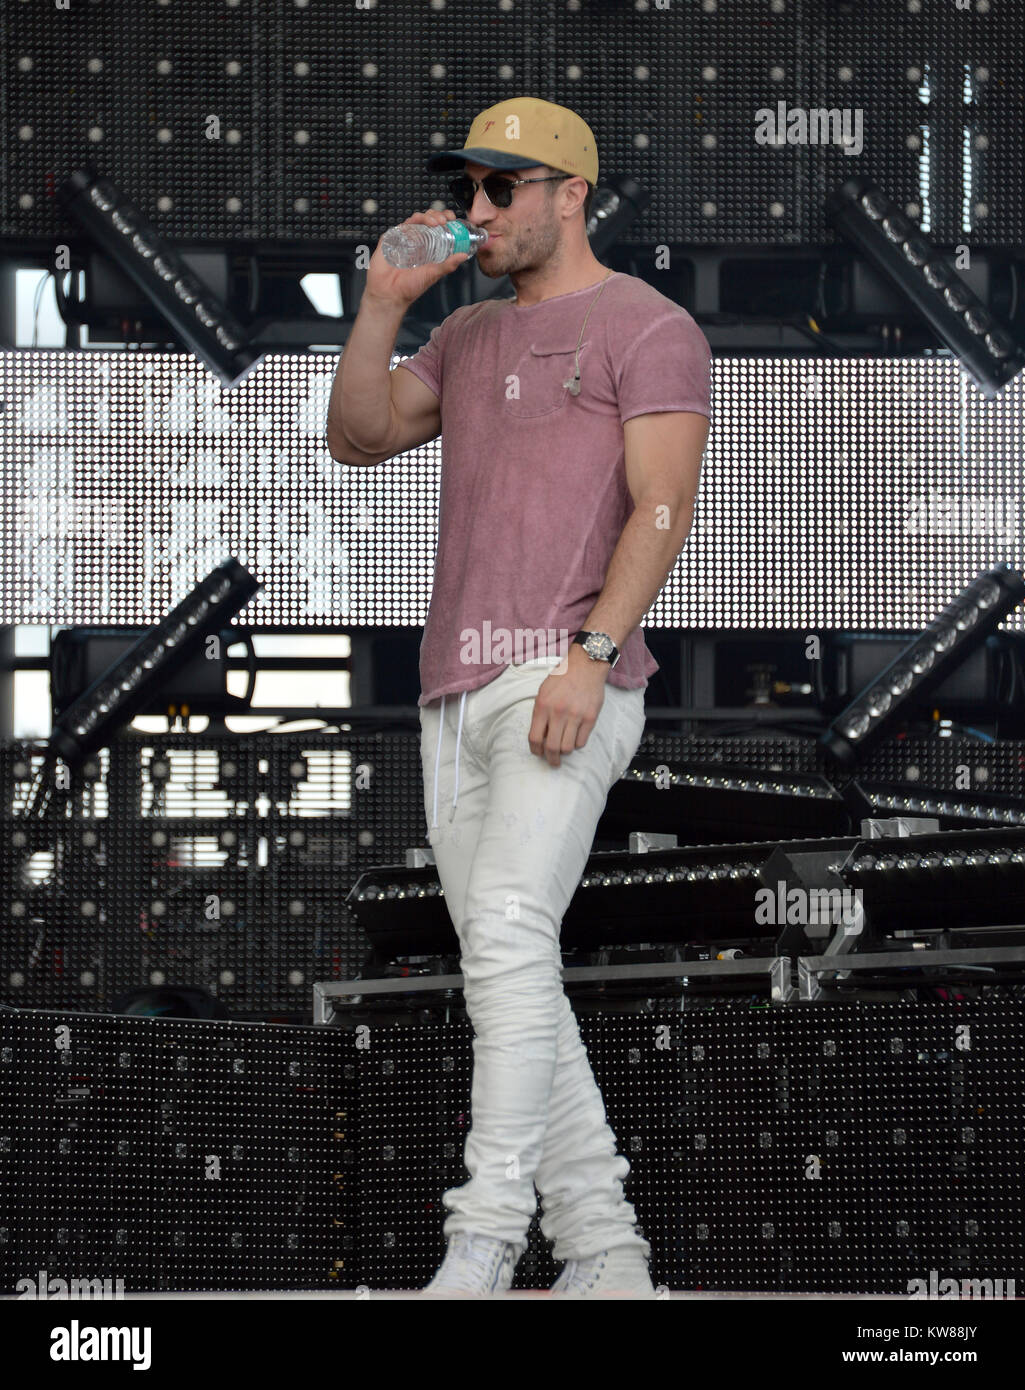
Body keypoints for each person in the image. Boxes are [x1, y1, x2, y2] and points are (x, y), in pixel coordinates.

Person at [325, 97, 711, 1298]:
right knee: (510, 963)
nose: (477, 211)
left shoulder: (648, 327)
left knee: (500, 936)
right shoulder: (469, 330)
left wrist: (591, 655)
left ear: (567, 196)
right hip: (452, 691)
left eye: (502, 189)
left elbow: (662, 505)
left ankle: (483, 1241)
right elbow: (357, 436)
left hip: (562, 667)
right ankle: (606, 1257)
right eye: (468, 189)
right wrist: (385, 305)